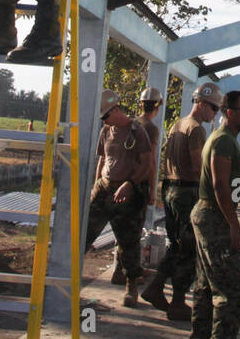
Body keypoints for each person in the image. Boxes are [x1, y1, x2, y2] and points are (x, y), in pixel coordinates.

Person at [184, 90, 240, 339]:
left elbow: (230, 185)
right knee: (232, 291)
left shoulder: (225, 139)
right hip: (215, 218)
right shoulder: (224, 140)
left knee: (205, 290)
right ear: (230, 112)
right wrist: (234, 225)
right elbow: (219, 184)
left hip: (210, 215)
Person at [141, 82, 222, 320]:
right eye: (214, 108)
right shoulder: (196, 129)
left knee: (176, 245)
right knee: (189, 248)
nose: (214, 113)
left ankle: (156, 286)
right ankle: (177, 302)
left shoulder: (178, 124)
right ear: (202, 103)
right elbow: (198, 167)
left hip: (171, 189)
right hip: (187, 191)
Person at [83, 89, 153, 307]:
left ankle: (131, 286)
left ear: (115, 109)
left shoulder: (137, 131)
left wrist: (130, 184)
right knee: (84, 234)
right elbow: (102, 160)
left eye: (105, 115)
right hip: (104, 189)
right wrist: (96, 185)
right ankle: (69, 280)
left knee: (128, 243)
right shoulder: (106, 131)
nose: (104, 120)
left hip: (128, 195)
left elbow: (147, 163)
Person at [111, 85, 163, 286]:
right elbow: (150, 162)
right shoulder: (151, 129)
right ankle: (128, 277)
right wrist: (152, 189)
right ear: (158, 106)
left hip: (120, 183)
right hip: (137, 185)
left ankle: (119, 269)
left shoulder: (130, 124)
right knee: (133, 232)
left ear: (141, 104)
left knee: (121, 229)